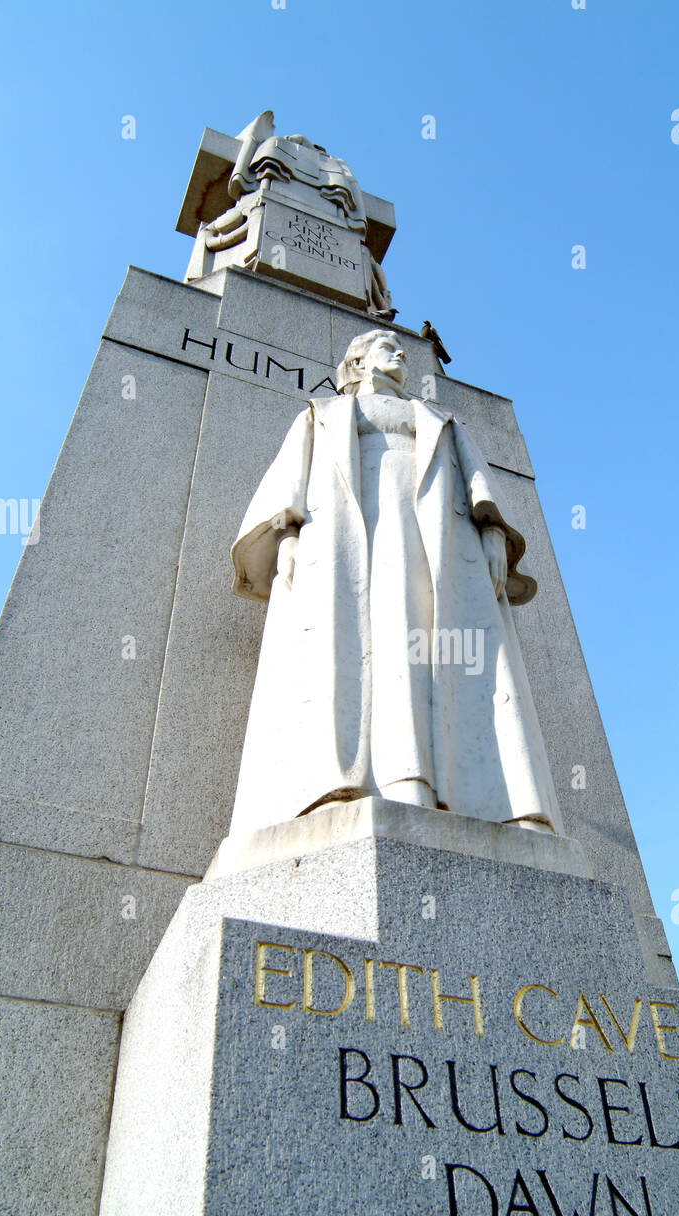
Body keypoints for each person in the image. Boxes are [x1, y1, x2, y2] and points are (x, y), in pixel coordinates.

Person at [227, 329, 561, 842]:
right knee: (350, 661)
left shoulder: (441, 422)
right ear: (357, 361)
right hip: (345, 549)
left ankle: (462, 795)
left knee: (443, 659)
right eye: (386, 346)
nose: (401, 352)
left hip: (437, 548)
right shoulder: (321, 416)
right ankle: (346, 787)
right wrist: (286, 538)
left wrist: (493, 531)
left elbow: (476, 485)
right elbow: (288, 489)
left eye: (400, 347)